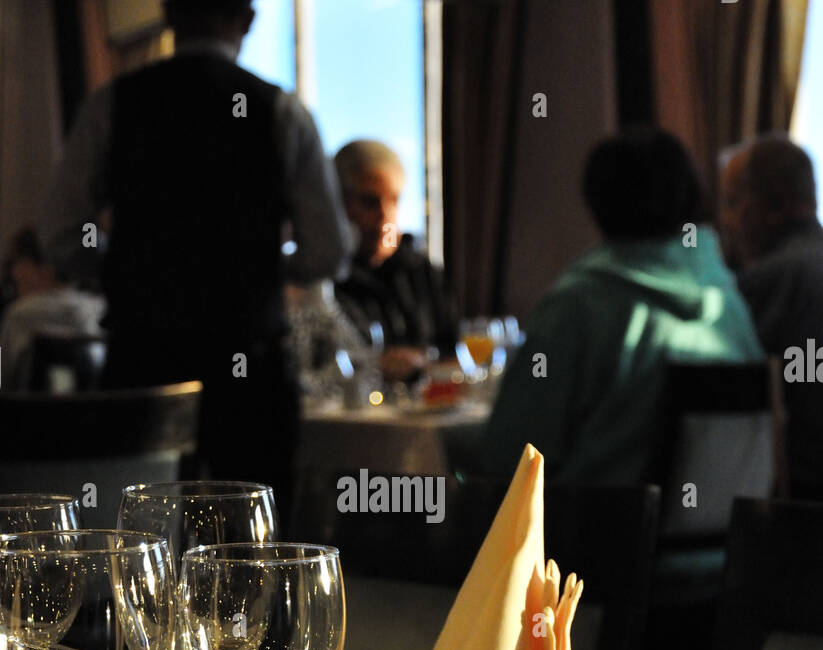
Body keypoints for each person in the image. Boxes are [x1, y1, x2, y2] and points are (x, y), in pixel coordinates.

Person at [39, 0, 352, 517]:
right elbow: (327, 251)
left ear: (167, 12)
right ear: (248, 19)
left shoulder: (114, 105)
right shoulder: (281, 112)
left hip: (143, 359)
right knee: (252, 549)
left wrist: (119, 266)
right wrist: (263, 266)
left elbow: (61, 232)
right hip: (251, 366)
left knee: (138, 540)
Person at [483, 128, 763, 484]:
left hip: (597, 535)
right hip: (723, 536)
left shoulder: (576, 308)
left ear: (596, 203)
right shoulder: (728, 301)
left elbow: (508, 459)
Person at [720, 134, 823, 497]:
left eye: (733, 202)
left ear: (775, 203)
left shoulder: (760, 286)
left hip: (797, 513)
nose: (727, 222)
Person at [333, 140, 457, 379]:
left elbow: (455, 353)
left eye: (395, 200)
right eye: (370, 202)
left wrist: (424, 362)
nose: (385, 216)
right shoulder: (323, 283)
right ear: (338, 202)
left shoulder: (423, 273)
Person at [0, 228, 106, 389]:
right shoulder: (98, 307)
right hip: (101, 411)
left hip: (30, 412)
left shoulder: (20, 315)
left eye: (18, 262)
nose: (13, 272)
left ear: (46, 266)